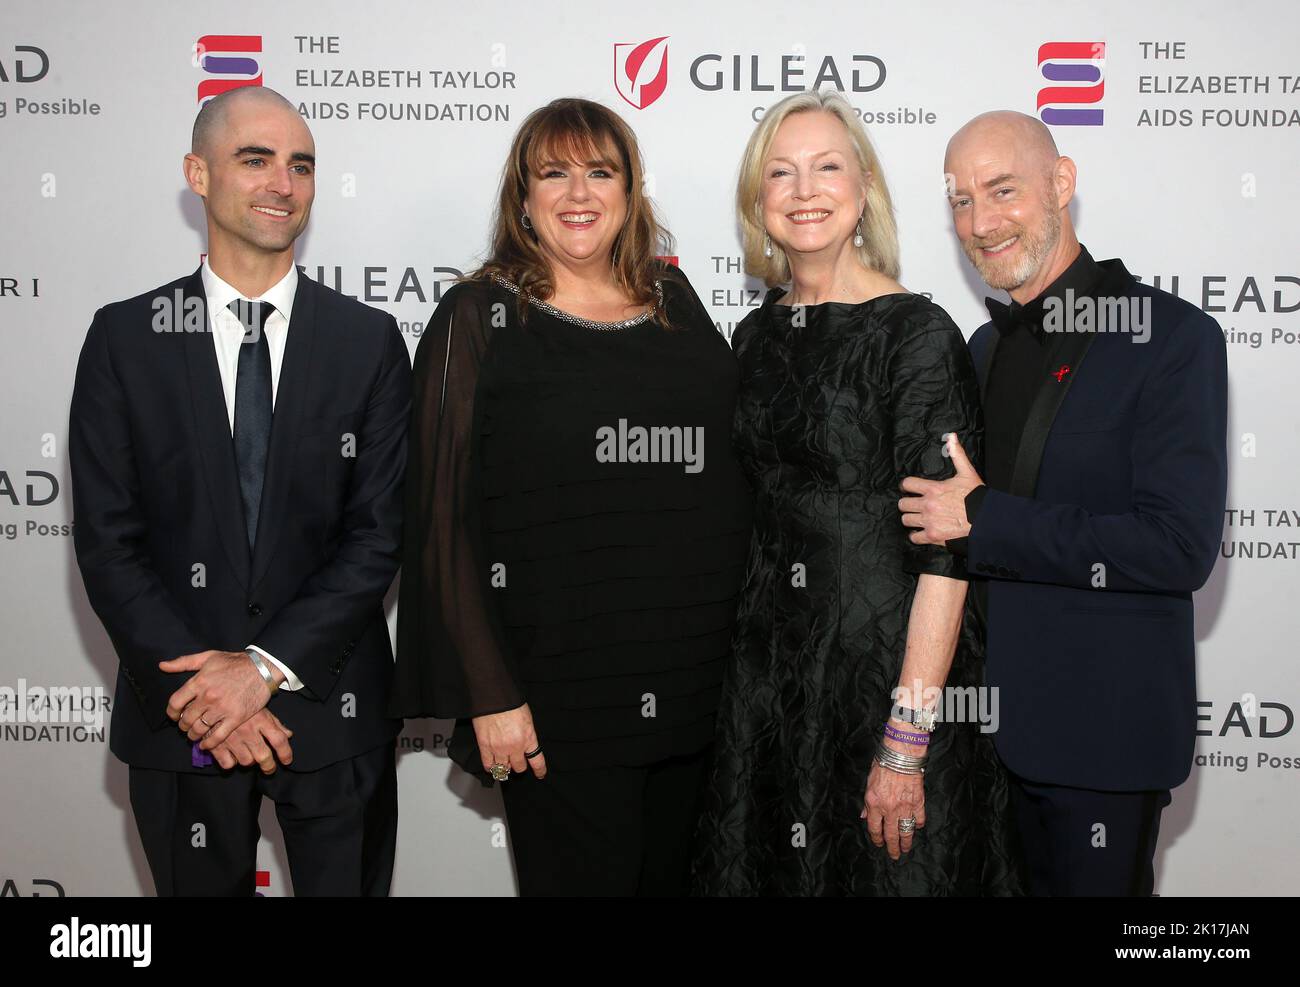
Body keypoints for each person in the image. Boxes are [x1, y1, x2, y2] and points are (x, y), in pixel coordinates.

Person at [388, 97, 752, 896]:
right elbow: (441, 520)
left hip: (697, 691)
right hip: (558, 703)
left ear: (630, 192)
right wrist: (489, 694)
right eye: (553, 172)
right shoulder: (478, 316)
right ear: (524, 195)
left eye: (600, 171)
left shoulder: (675, 302)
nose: (577, 192)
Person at [69, 85, 411, 896]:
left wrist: (261, 668)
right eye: (254, 160)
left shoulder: (367, 341)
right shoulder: (124, 338)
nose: (281, 184)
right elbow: (109, 542)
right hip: (179, 721)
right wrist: (205, 691)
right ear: (198, 172)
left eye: (301, 165)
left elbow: (378, 534)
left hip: (334, 716)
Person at [692, 89, 1023, 896]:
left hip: (884, 675)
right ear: (756, 199)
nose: (805, 191)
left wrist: (906, 738)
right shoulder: (755, 334)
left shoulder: (917, 333)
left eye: (827, 167)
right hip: (771, 678)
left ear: (865, 187)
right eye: (781, 172)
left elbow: (947, 552)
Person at [900, 110, 1227, 895]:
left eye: (1002, 190)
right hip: (984, 745)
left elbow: (1176, 544)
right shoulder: (980, 349)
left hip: (1100, 743)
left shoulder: (1173, 338)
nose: (981, 221)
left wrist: (986, 518)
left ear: (1062, 183)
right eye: (962, 201)